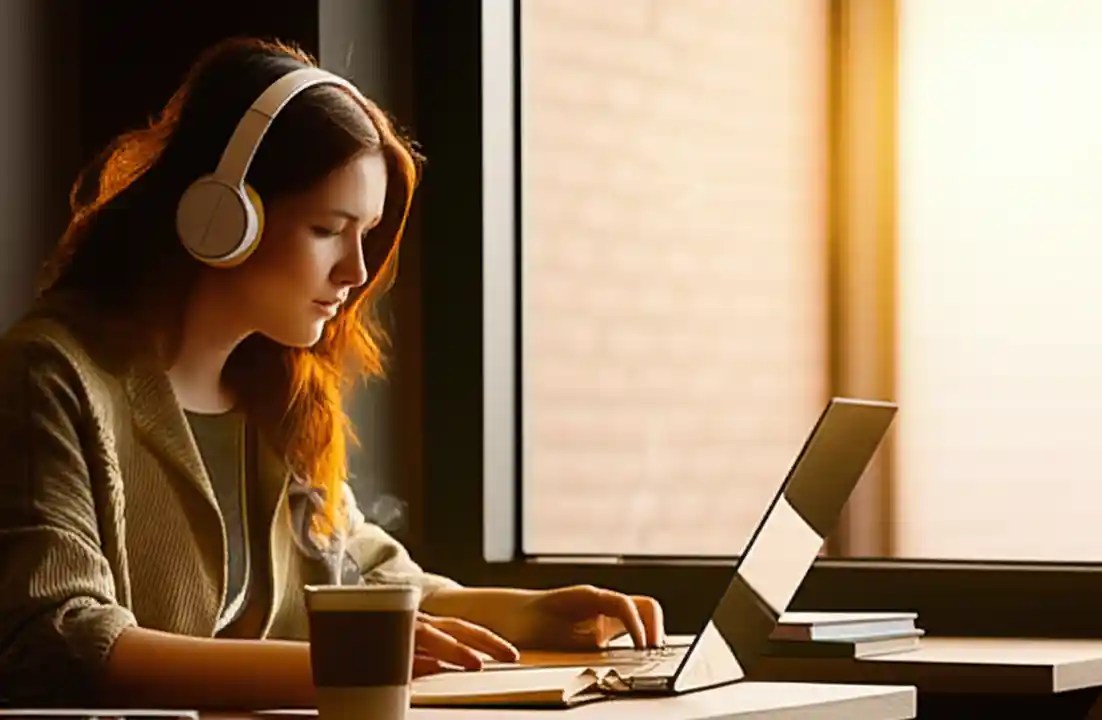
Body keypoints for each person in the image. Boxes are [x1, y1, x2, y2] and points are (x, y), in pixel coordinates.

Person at [0, 37, 664, 710]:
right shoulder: (49, 375)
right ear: (222, 218)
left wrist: (531, 614)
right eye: (328, 228)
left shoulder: (273, 394)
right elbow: (57, 637)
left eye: (365, 233)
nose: (355, 272)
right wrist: (343, 668)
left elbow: (360, 574)